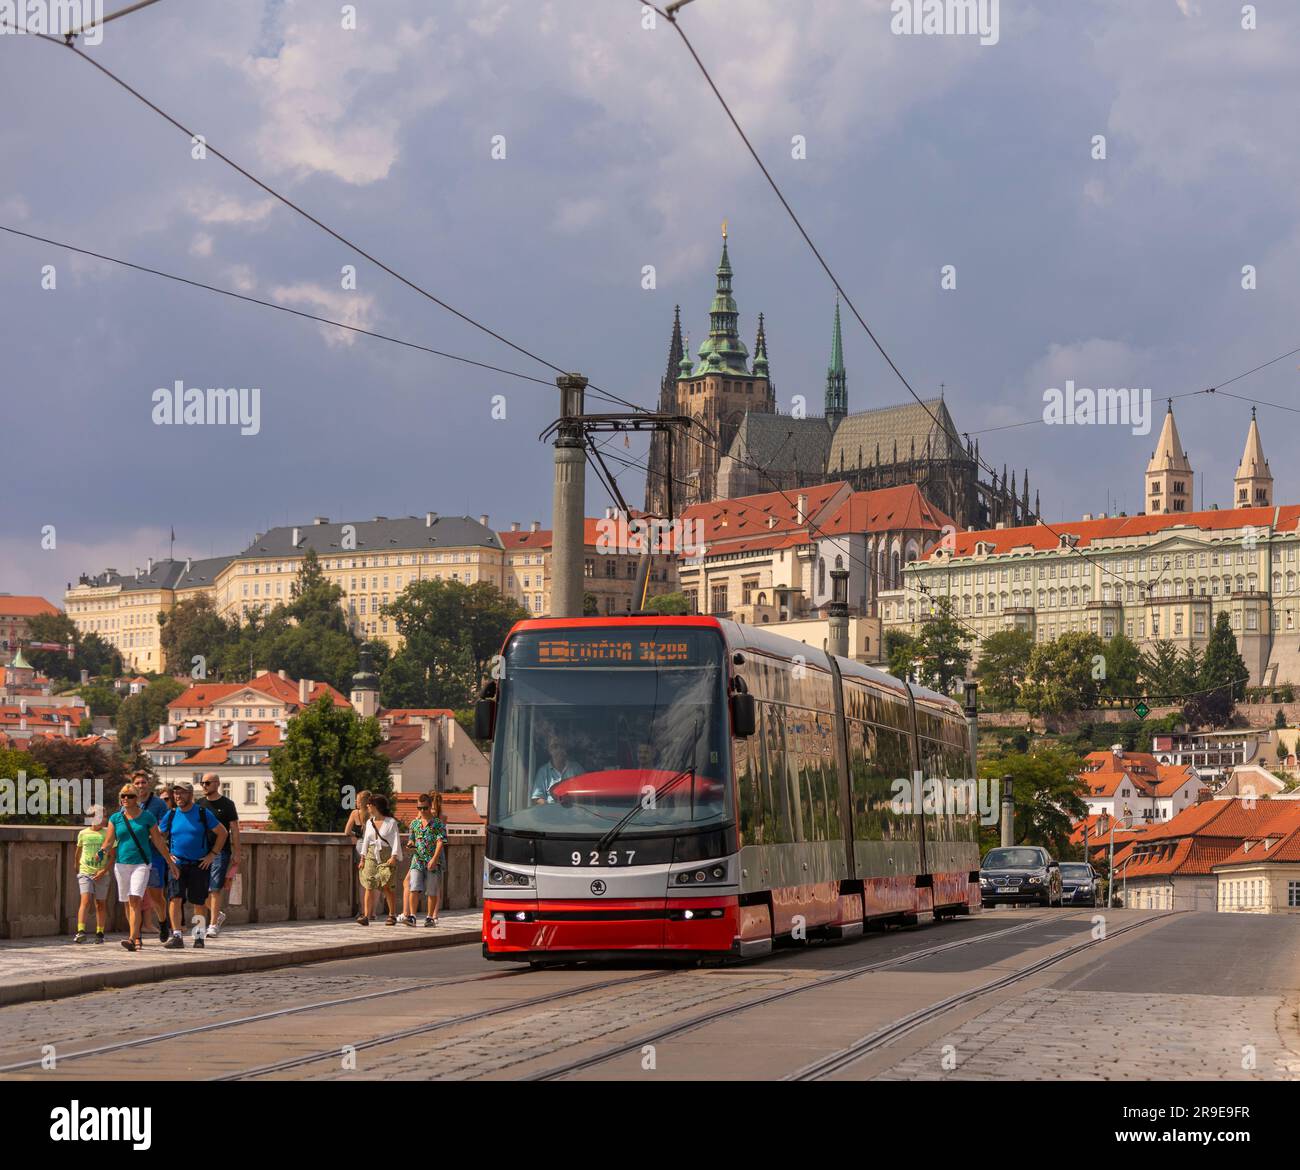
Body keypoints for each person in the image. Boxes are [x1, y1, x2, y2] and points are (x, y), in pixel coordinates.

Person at [95, 784, 176, 951]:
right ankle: (136, 937)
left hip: (141, 863)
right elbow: (109, 841)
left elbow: (158, 842)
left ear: (137, 798)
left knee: (135, 899)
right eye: (123, 796)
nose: (125, 799)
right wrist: (102, 851)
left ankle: (133, 938)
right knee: (127, 902)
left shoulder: (147, 817)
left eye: (130, 796)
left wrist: (170, 862)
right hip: (121, 864)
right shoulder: (115, 818)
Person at [158, 780, 228, 950]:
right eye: (175, 793)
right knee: (174, 898)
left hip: (199, 864)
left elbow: (223, 833)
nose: (178, 796)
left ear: (190, 795)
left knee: (198, 901)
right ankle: (177, 936)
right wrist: (168, 856)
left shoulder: (203, 813)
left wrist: (212, 855)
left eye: (181, 793)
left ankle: (198, 937)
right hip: (177, 864)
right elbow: (158, 835)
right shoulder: (172, 814)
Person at [198, 773, 240, 938]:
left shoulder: (227, 804)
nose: (204, 786)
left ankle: (213, 925)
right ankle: (218, 914)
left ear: (217, 784)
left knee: (214, 888)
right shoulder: (199, 804)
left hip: (221, 851)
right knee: (199, 889)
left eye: (207, 783)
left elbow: (234, 830)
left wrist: (237, 852)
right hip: (201, 851)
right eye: (202, 783)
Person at [133, 773, 172, 943]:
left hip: (154, 854)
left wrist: (150, 835)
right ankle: (135, 935)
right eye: (137, 783)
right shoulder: (128, 802)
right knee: (133, 896)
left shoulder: (159, 804)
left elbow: (164, 828)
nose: (141, 785)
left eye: (143, 782)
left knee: (156, 895)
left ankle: (163, 921)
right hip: (133, 856)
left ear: (148, 784)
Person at [356, 793, 402, 926]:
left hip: (386, 855)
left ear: (376, 806)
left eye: (369, 804)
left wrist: (394, 857)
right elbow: (366, 841)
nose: (367, 806)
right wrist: (362, 858)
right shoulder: (369, 822)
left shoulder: (391, 822)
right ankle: (366, 915)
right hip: (371, 854)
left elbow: (396, 841)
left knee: (387, 886)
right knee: (369, 885)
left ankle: (392, 914)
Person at [402, 793, 446, 927]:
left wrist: (434, 859)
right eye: (419, 808)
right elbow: (412, 838)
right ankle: (412, 917)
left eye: (425, 808)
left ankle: (430, 918)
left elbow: (440, 842)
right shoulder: (414, 823)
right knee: (413, 888)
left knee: (431, 891)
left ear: (430, 806)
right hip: (417, 860)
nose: (422, 811)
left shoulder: (438, 823)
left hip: (432, 861)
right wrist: (410, 845)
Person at [73, 804, 110, 943]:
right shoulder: (83, 833)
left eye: (105, 816)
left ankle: (100, 932)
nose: (104, 819)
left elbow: (112, 856)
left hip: (102, 873)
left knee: (100, 903)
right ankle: (80, 931)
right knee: (85, 900)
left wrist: (104, 870)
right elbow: (78, 851)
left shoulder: (108, 834)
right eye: (101, 816)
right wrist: (77, 866)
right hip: (85, 872)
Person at [531, 735, 582, 804]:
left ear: (565, 749)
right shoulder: (543, 771)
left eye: (561, 746)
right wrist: (549, 809)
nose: (558, 750)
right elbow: (537, 798)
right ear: (549, 750)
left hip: (575, 812)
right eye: (555, 746)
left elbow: (586, 794)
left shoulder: (576, 768)